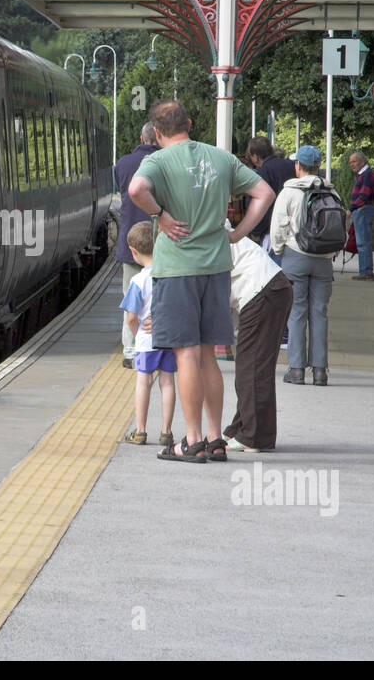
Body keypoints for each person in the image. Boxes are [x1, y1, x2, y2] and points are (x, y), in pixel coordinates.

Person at [127, 100, 275, 462]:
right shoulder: (220, 158)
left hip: (177, 271)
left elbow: (136, 190)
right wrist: (238, 234)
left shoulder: (158, 161)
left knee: (186, 353)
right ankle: (214, 437)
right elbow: (265, 194)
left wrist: (160, 215)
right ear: (189, 123)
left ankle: (191, 440)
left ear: (157, 132)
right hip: (216, 268)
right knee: (208, 353)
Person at [269, 144, 336, 386]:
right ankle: (320, 371)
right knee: (319, 312)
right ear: (317, 167)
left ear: (298, 166)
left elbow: (277, 228)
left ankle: (296, 369)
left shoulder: (289, 192)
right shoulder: (331, 192)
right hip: (323, 260)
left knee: (296, 312)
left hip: (295, 256)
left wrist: (279, 251)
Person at [223, 224, 293, 452]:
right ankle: (249, 430)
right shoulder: (218, 229)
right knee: (256, 367)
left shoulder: (212, 235)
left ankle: (251, 436)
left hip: (261, 292)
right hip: (272, 288)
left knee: (250, 367)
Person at [119, 221, 177, 447]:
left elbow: (132, 317)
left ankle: (141, 431)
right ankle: (166, 432)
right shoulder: (170, 275)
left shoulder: (137, 280)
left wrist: (137, 333)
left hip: (146, 341)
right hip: (168, 339)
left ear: (133, 251)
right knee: (168, 383)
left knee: (144, 383)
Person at [114, 123, 160, 366]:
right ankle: (158, 343)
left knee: (130, 296)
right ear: (159, 137)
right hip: (162, 241)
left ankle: (130, 350)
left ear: (141, 137)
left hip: (132, 241)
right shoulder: (165, 162)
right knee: (161, 295)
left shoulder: (123, 164)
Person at [243, 136, 296, 247]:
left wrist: (255, 231)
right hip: (296, 230)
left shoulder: (262, 174)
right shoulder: (292, 166)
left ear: (255, 156)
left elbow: (258, 206)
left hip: (272, 232)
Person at [347, 151, 374, 280]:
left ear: (362, 161)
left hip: (363, 210)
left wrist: (351, 209)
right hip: (362, 210)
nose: (352, 165)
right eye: (350, 163)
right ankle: (364, 271)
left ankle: (366, 272)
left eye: (354, 162)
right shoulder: (363, 175)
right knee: (361, 242)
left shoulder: (367, 175)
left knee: (363, 242)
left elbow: (363, 196)